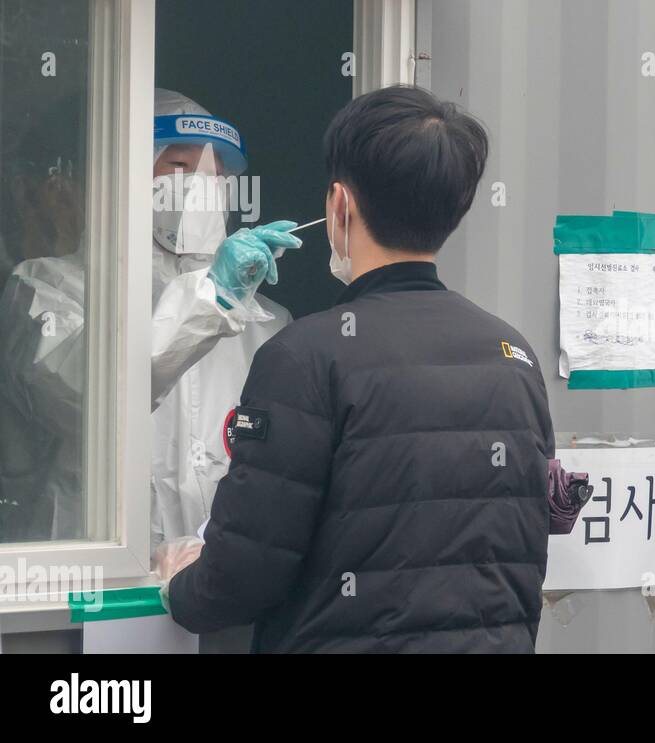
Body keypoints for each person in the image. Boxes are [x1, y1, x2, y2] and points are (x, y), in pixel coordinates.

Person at [159, 86, 555, 653]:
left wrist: (180, 584)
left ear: (339, 204)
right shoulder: (511, 354)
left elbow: (240, 579)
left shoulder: (304, 356)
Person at [0, 89, 299, 543]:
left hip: (221, 578)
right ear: (123, 176)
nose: (202, 185)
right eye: (179, 166)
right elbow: (92, 395)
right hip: (97, 572)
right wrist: (213, 299)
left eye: (216, 174)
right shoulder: (46, 288)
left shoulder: (266, 322)